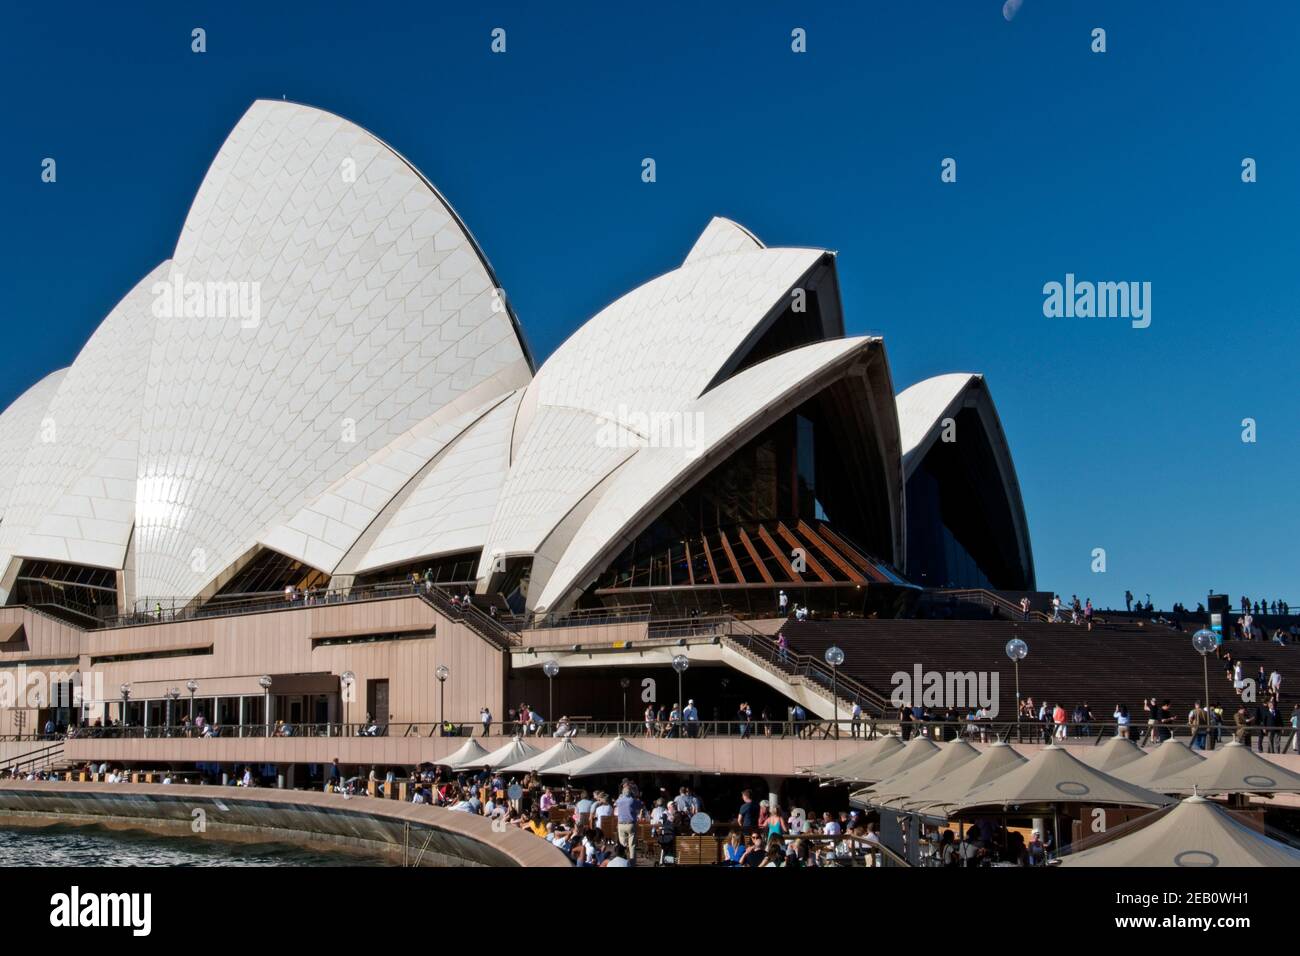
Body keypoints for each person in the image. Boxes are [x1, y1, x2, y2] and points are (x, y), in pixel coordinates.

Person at [614, 785, 642, 862]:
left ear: (623, 793)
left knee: (623, 844)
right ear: (630, 792)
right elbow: (640, 805)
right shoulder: (632, 800)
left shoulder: (619, 800)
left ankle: (623, 860)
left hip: (621, 824)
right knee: (632, 845)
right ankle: (632, 863)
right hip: (630, 824)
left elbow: (615, 804)